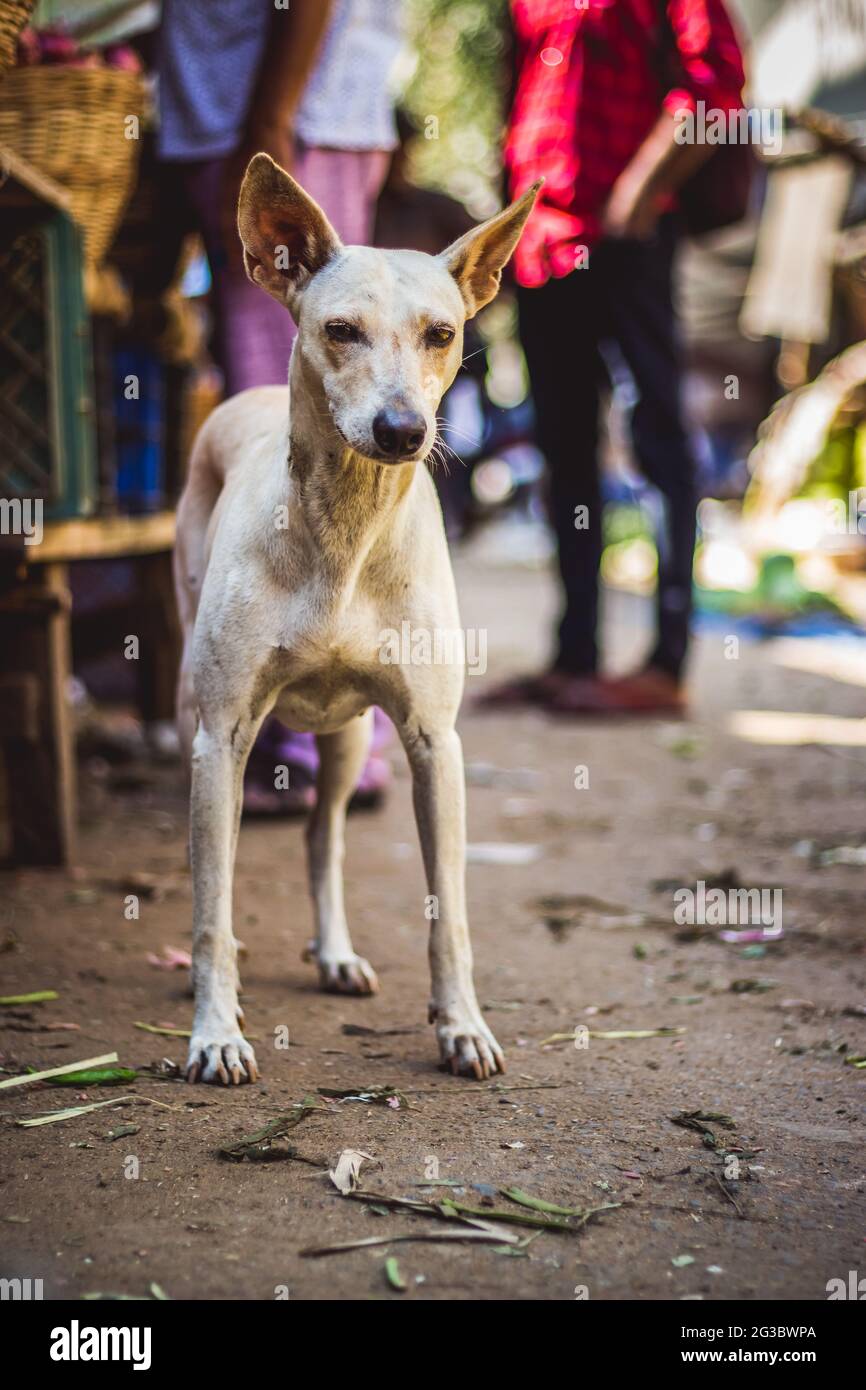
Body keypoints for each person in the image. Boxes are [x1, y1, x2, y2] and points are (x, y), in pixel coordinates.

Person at [157, 0, 405, 809]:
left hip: (287, 128)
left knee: (298, 431)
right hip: (272, 122)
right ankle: (312, 746)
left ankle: (317, 752)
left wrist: (269, 124)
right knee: (289, 428)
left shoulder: (279, 136)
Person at [483, 0, 746, 715]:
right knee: (563, 448)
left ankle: (666, 665)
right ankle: (575, 659)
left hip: (629, 239)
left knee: (657, 440)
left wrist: (640, 188)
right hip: (542, 247)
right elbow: (521, 94)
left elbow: (717, 90)